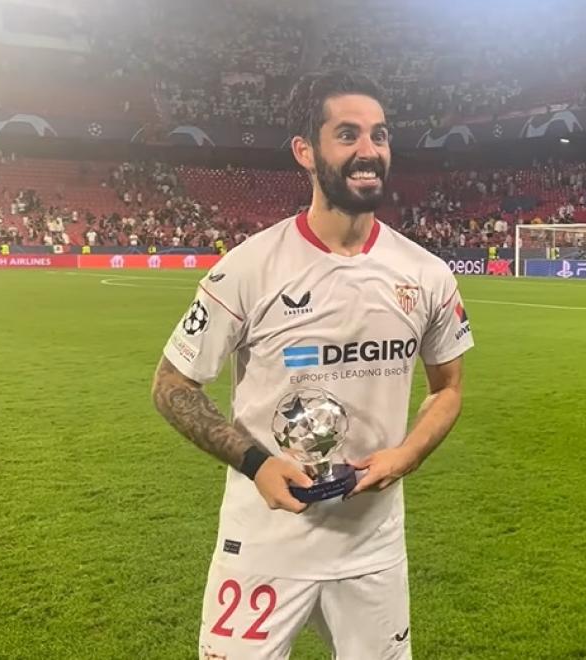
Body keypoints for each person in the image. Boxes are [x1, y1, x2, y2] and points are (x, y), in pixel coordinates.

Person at [150, 70, 474, 660]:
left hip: (372, 549)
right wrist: (256, 464)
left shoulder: (427, 274)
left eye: (379, 135)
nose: (369, 150)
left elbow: (447, 388)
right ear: (305, 151)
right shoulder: (247, 268)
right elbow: (172, 384)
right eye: (347, 134)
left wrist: (408, 453)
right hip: (264, 544)